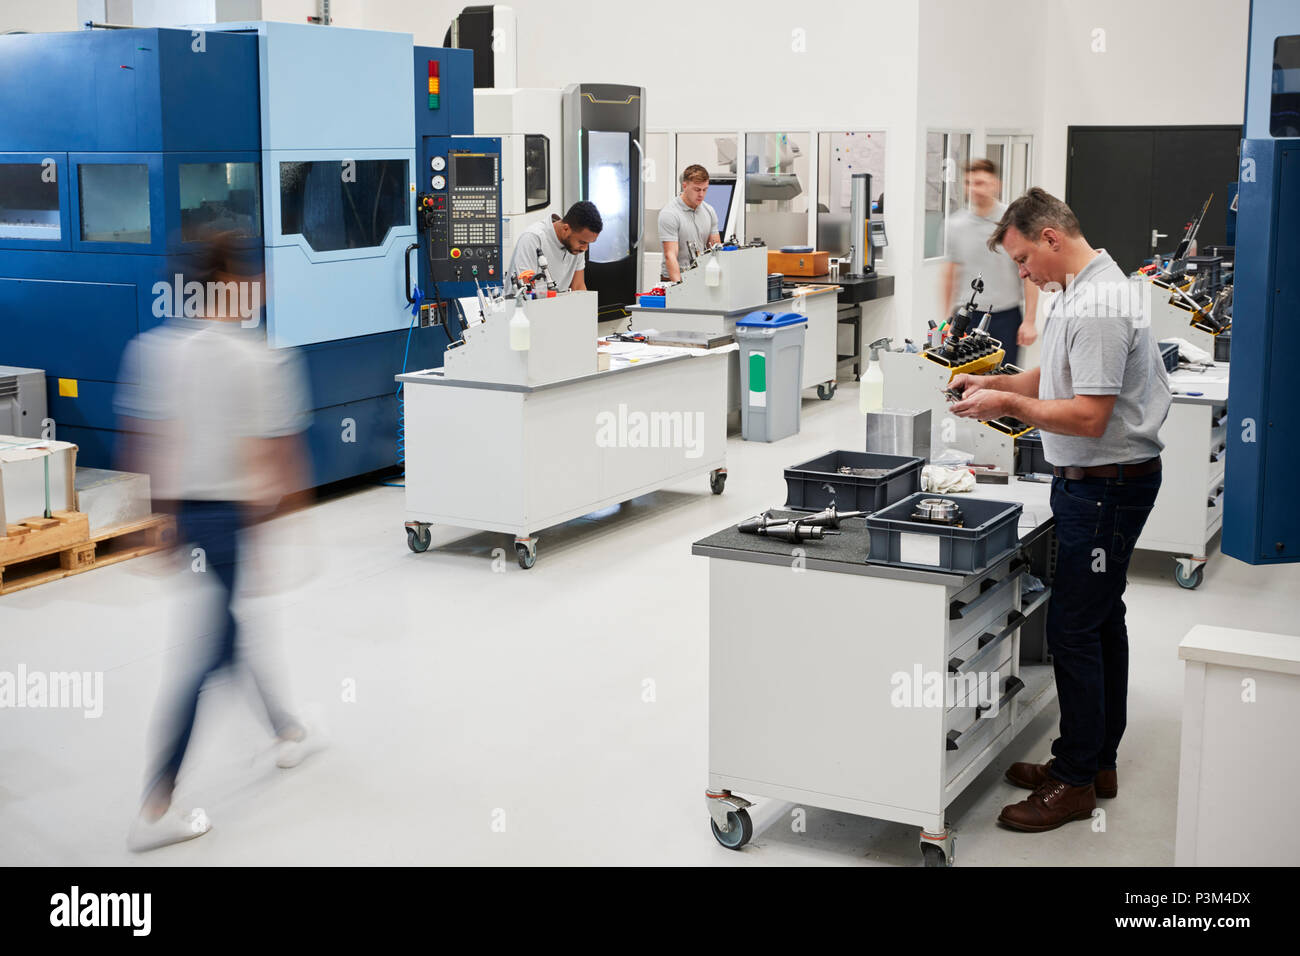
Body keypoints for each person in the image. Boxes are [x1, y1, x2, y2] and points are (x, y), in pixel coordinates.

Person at [948, 187, 1171, 833]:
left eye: (1022, 260)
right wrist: (993, 382)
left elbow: (1088, 415)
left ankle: (1074, 782)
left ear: (1049, 237)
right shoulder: (1082, 288)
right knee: (1099, 621)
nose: (1022, 275)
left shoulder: (1099, 301)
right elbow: (1056, 382)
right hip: (1092, 484)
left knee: (1075, 628)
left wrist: (1007, 408)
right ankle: (1094, 760)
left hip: (1104, 489)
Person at [115, 231, 319, 852]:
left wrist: (159, 524)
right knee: (212, 651)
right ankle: (156, 803)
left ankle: (286, 730)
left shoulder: (156, 352)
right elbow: (276, 458)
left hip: (192, 519)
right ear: (233, 281)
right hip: (230, 520)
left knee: (228, 632)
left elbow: (146, 443)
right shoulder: (260, 359)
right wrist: (293, 528)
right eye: (251, 275)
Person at [940, 159, 1039, 366]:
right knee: (963, 380)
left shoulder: (1015, 222)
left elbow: (1029, 275)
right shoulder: (956, 225)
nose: (974, 189)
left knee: (1002, 380)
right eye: (969, 183)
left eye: (981, 183)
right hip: (965, 317)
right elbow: (950, 275)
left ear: (996, 184)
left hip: (1005, 318)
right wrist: (946, 319)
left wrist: (1029, 321)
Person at [507, 200, 603, 292]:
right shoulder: (532, 239)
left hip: (557, 307)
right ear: (566, 229)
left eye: (588, 243)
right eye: (582, 242)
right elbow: (524, 292)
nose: (585, 248)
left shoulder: (577, 246)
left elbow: (578, 287)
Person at [659, 164, 721, 283]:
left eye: (705, 189)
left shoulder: (709, 211)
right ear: (685, 186)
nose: (701, 194)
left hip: (700, 277)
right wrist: (679, 287)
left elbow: (716, 250)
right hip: (674, 278)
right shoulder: (670, 214)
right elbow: (670, 255)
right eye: (697, 189)